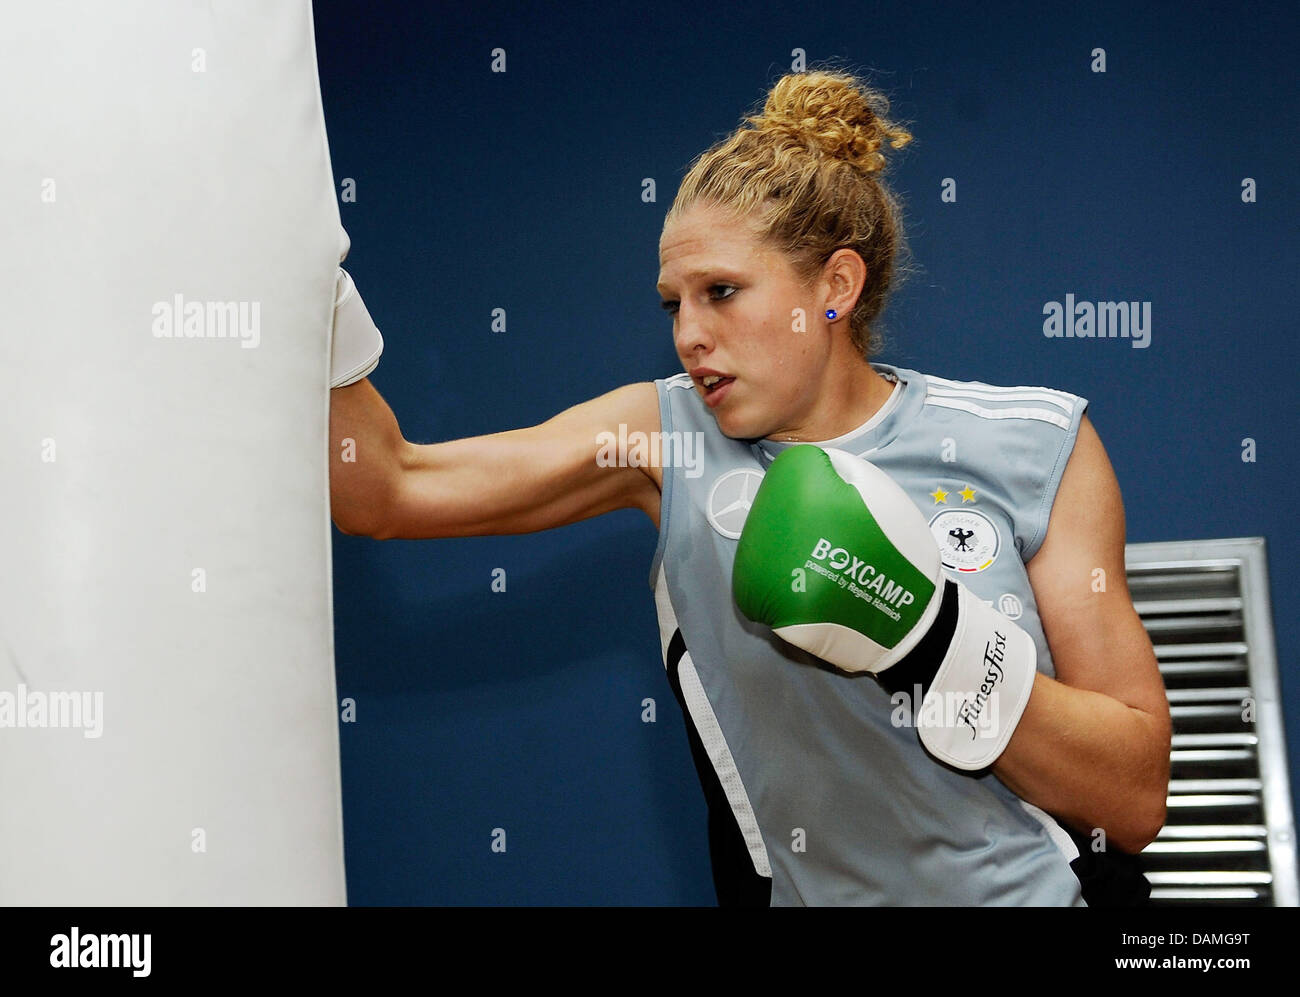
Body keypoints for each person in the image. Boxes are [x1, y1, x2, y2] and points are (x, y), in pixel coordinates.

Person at [327, 67, 1172, 906]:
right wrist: (313, 289)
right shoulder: (665, 439)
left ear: (834, 288)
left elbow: (1132, 799)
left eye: (722, 292)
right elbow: (388, 489)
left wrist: (926, 635)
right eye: (673, 305)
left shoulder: (1031, 442)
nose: (690, 334)